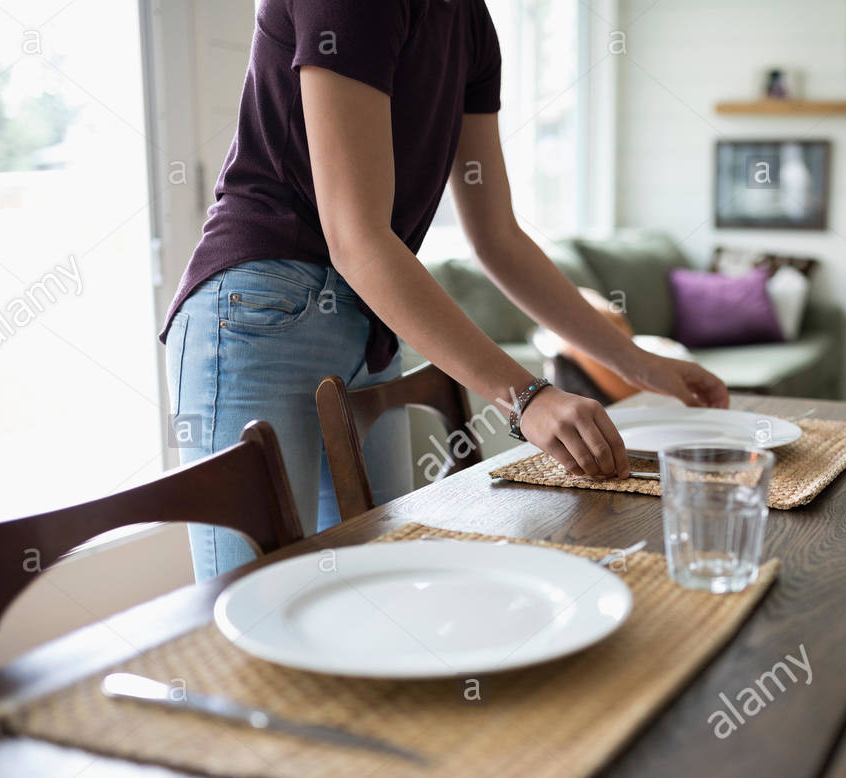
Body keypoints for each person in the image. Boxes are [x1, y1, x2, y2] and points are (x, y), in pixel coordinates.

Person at [162, 0, 728, 579]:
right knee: (251, 612)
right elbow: (356, 239)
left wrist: (637, 364)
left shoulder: (470, 22)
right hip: (259, 309)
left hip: (369, 320)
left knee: (375, 596)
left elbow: (498, 237)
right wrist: (526, 397)